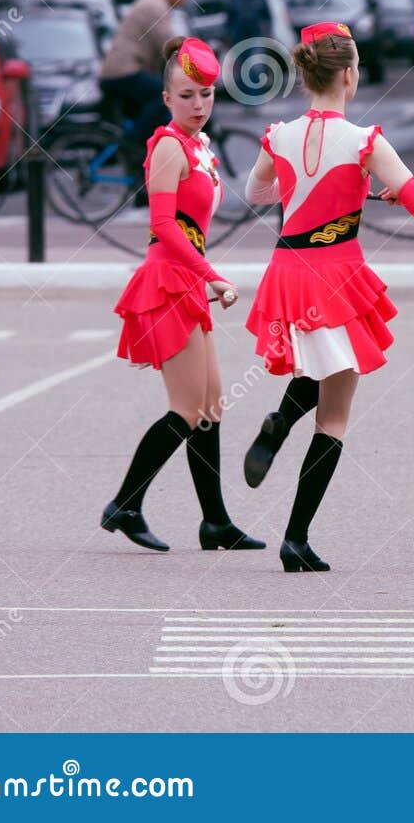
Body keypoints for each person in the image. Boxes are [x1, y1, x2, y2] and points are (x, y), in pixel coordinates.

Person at [240, 21, 414, 572]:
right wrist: (386, 188)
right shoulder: (364, 141)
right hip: (337, 274)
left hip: (288, 270)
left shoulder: (278, 135)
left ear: (309, 74)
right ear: (349, 75)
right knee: (334, 416)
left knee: (321, 362)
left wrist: (302, 190)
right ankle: (295, 540)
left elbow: (256, 191)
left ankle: (278, 423)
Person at [101, 37, 263, 553]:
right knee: (187, 410)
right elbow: (163, 225)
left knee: (210, 407)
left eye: (206, 94)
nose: (198, 105)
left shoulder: (199, 145)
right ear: (166, 98)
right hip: (167, 282)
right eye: (187, 96)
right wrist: (212, 275)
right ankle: (125, 505)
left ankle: (215, 523)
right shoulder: (169, 146)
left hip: (186, 280)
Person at [102, 0, 189, 181]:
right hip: (123, 71)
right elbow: (169, 44)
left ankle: (141, 183)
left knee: (151, 126)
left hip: (127, 70)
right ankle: (130, 142)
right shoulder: (154, 6)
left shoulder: (156, 3)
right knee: (164, 98)